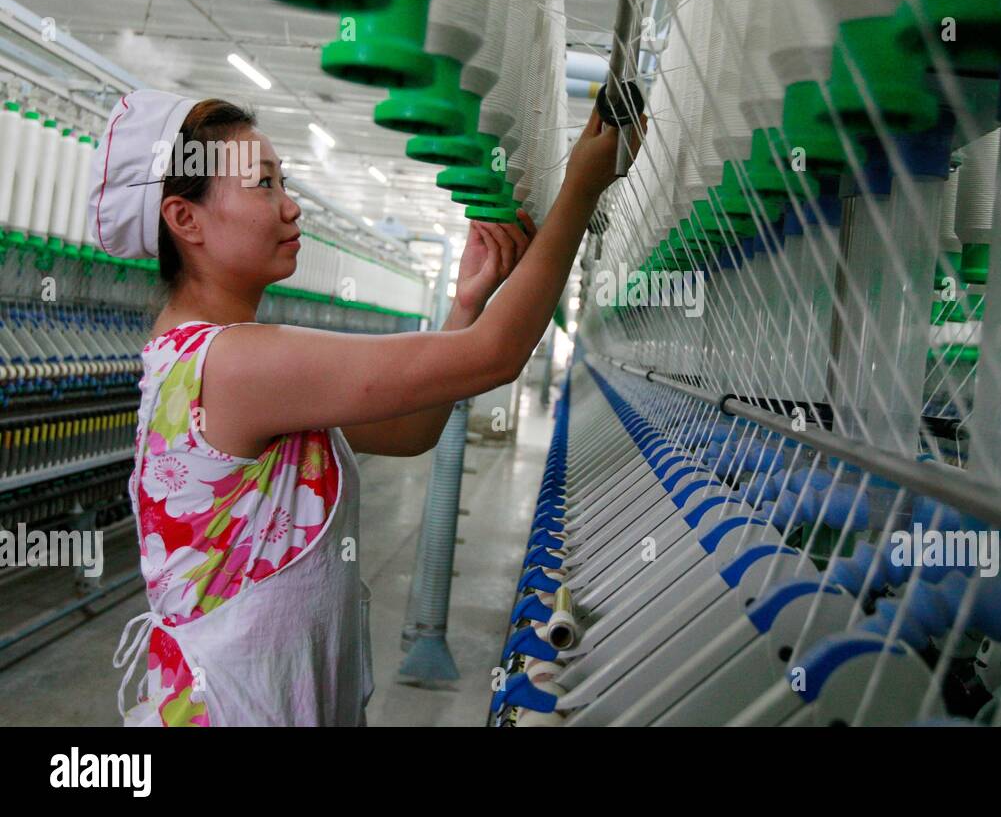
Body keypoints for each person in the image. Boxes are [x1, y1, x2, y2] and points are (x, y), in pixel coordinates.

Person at [97, 89, 640, 725]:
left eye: (283, 182)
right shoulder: (233, 364)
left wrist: (465, 305)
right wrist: (581, 187)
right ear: (185, 220)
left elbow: (411, 430)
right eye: (264, 185)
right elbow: (496, 356)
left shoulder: (211, 359)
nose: (290, 207)